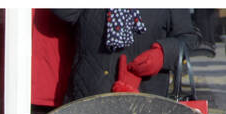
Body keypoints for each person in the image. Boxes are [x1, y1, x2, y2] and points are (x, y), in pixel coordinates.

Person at [54, 9, 198, 100]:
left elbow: (189, 38)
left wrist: (163, 53)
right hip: (90, 96)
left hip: (146, 99)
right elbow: (63, 12)